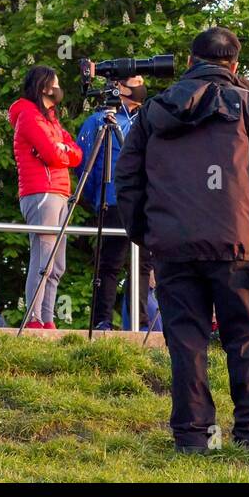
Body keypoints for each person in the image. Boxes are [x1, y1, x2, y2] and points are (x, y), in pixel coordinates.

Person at [116, 27, 249, 456]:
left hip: (171, 246)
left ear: (189, 61)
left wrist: (145, 234)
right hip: (238, 245)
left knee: (185, 340)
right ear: (234, 66)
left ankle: (193, 437)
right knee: (248, 337)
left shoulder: (151, 112)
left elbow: (126, 180)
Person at [74, 74, 155, 330]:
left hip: (144, 203)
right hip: (113, 201)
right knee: (110, 262)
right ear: (119, 87)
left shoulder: (148, 119)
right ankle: (102, 321)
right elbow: (84, 163)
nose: (140, 86)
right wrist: (95, 197)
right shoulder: (99, 121)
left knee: (142, 265)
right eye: (134, 81)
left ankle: (139, 322)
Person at [10, 65, 83, 330]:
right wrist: (61, 152)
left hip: (58, 191)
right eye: (56, 83)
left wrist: (61, 150)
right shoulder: (29, 116)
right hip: (42, 191)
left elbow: (76, 153)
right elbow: (55, 155)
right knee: (44, 258)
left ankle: (47, 317)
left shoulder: (50, 118)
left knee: (57, 263)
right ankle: (33, 318)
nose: (59, 88)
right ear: (44, 87)